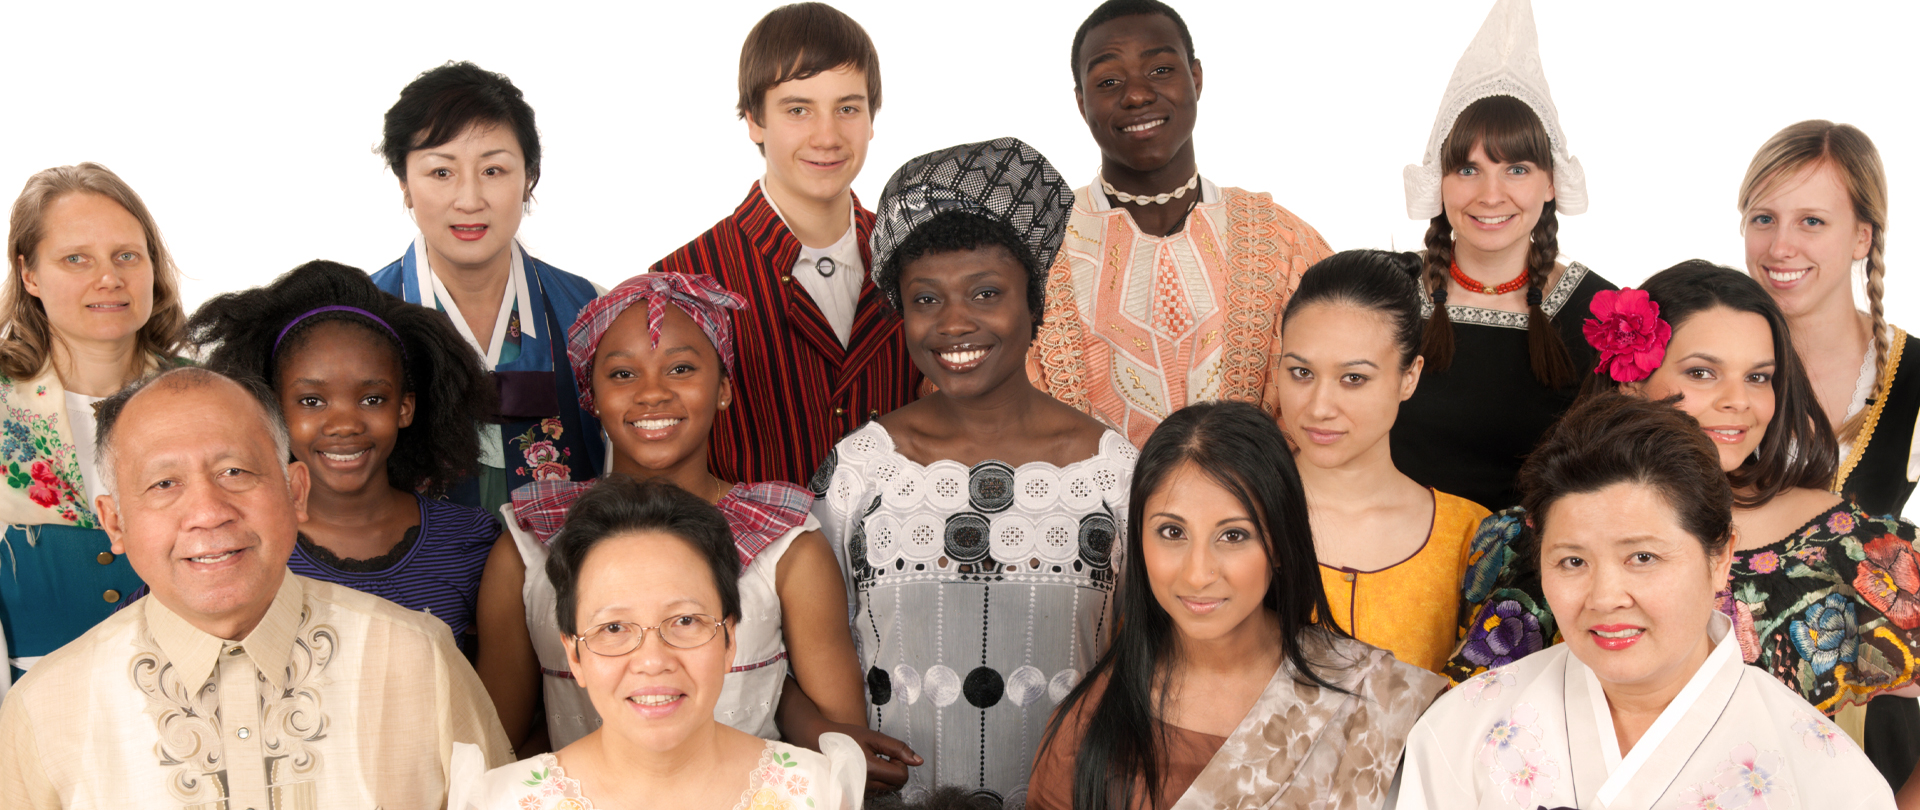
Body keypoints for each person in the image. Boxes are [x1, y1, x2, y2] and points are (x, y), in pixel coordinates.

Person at [1449, 262, 1920, 800]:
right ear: (1631, 378)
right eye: (1701, 373)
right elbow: (1473, 732)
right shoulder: (1529, 539)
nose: (1737, 400)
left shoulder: (1849, 547)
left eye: (1758, 376)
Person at [0, 367, 512, 808]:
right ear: (114, 523)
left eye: (235, 471)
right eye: (164, 484)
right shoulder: (43, 710)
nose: (207, 512)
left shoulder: (419, 658)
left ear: (295, 492)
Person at [812, 138, 1130, 806]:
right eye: (926, 300)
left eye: (986, 293)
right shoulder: (860, 470)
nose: (955, 323)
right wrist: (831, 737)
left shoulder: (1113, 474)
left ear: (1034, 304)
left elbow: (1147, 670)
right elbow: (799, 643)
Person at [1393, 392, 1892, 809]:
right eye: (1572, 562)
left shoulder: (1827, 777)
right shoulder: (1462, 730)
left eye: (1643, 558)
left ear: (1720, 557)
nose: (1606, 598)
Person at [480, 272, 878, 772]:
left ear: (724, 389)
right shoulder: (528, 545)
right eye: (623, 374)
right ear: (591, 395)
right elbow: (499, 741)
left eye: (682, 369)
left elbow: (838, 749)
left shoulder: (788, 542)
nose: (652, 394)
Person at [1030, 401, 1444, 810]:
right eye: (1172, 532)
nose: (1197, 574)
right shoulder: (1091, 725)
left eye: (1233, 536)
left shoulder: (1377, 703)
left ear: (1280, 543)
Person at [449, 476, 866, 810]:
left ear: (728, 639)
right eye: (614, 628)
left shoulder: (816, 793)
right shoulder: (501, 800)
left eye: (685, 620)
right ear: (574, 654)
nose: (652, 661)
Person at [1028, 0, 1334, 448]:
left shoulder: (1284, 243)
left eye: (1160, 71)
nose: (1136, 95)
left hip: (1258, 514)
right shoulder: (1034, 247)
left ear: (1196, 78)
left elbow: (1334, 406)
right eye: (1109, 81)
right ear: (1081, 101)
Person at [652, 2, 919, 486]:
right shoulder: (682, 280)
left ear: (872, 118)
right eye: (798, 109)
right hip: (750, 556)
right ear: (754, 119)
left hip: (906, 550)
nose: (827, 136)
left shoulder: (917, 257)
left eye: (848, 108)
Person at [183, 260, 502, 659]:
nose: (344, 424)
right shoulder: (231, 546)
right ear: (274, 411)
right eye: (312, 401)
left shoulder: (468, 542)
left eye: (372, 399)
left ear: (404, 408)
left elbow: (492, 712)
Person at [1739, 119, 1920, 799]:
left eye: (1811, 220)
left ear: (1863, 236)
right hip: (1709, 714)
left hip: (1867, 732)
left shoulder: (1912, 375)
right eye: (1763, 217)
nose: (1780, 245)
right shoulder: (1703, 370)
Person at [1388, 0, 1615, 511]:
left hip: (1539, 576)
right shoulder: (1388, 293)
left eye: (1516, 169)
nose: (1490, 195)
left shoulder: (1604, 314)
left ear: (1552, 181)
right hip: (1394, 567)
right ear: (1439, 181)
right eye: (1467, 170)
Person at [370, 61, 603, 515]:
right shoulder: (360, 318)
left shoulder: (589, 308)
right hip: (408, 581)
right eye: (441, 172)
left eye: (493, 171)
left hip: (561, 574)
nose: (470, 199)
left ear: (529, 176)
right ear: (404, 184)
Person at [0, 163, 186, 694]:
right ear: (29, 274)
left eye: (127, 255)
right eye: (75, 258)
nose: (109, 278)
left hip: (193, 716)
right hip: (26, 720)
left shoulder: (208, 401)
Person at [1276, 250, 1490, 674]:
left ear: (1409, 377)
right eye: (1301, 373)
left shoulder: (1471, 538)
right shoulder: (1232, 511)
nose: (1319, 407)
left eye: (1353, 378)